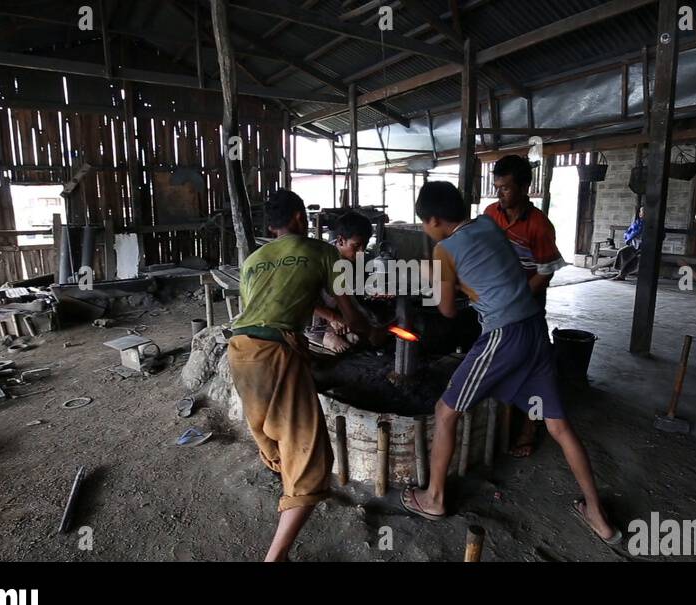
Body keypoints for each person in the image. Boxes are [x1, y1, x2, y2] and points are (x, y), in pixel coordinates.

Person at [400, 181, 620, 544]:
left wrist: (441, 280)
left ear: (435, 220)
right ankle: (597, 513)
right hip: (535, 327)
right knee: (560, 427)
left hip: (504, 335)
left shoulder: (444, 250)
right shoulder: (488, 224)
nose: (425, 229)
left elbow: (447, 310)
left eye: (424, 223)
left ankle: (434, 498)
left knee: (445, 412)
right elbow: (489, 272)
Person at [225, 189, 377, 562]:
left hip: (239, 351)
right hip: (274, 355)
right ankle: (275, 556)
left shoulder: (254, 259)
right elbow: (350, 309)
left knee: (273, 440)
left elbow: (273, 305)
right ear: (297, 218)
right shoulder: (322, 252)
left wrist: (334, 322)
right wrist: (366, 328)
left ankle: (286, 493)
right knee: (312, 460)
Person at [484, 154, 566, 457]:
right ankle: (495, 420)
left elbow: (546, 270)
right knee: (497, 355)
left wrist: (518, 300)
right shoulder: (491, 214)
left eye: (505, 188)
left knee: (531, 361)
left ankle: (530, 428)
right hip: (497, 299)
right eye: (497, 187)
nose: (499, 194)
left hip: (527, 301)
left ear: (524, 187)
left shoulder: (540, 226)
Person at [305, 212, 372, 353]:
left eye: (365, 244)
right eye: (357, 245)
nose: (362, 250)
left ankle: (339, 327)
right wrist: (333, 318)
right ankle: (320, 333)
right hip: (312, 316)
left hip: (337, 310)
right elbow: (302, 301)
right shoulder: (320, 259)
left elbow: (354, 293)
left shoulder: (354, 260)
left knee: (364, 333)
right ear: (341, 241)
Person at [612, 206, 644, 281]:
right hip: (634, 245)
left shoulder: (651, 223)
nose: (641, 213)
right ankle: (621, 273)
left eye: (642, 212)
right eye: (641, 211)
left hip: (644, 246)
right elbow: (628, 233)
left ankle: (622, 274)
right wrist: (631, 238)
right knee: (622, 252)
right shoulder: (637, 222)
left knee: (631, 255)